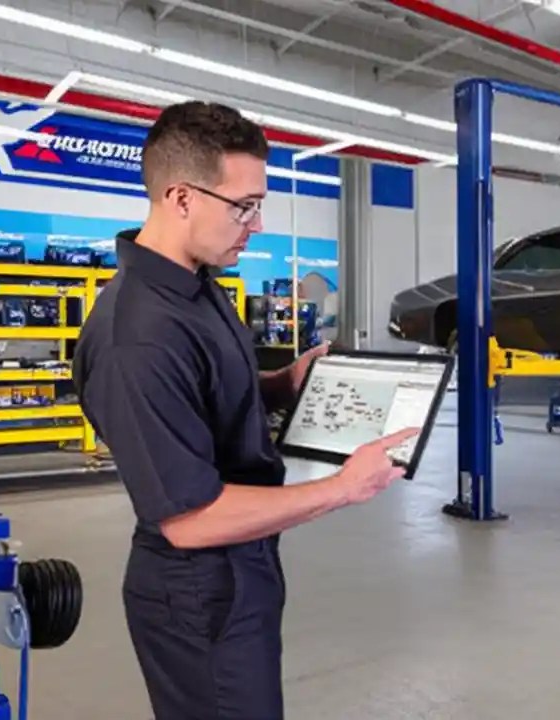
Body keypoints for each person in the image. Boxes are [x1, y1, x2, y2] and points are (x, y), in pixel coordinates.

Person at [72, 100, 418, 720]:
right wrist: (343, 487)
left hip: (240, 569)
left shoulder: (194, 286)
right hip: (198, 591)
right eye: (244, 205)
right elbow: (190, 519)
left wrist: (284, 382)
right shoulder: (138, 337)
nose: (256, 223)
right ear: (181, 198)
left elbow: (208, 391)